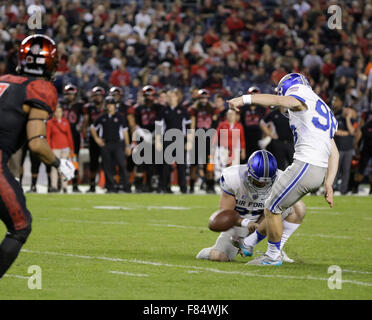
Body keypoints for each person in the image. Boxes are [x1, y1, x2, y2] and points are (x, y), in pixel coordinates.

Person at [228, 73, 340, 265]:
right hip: (316, 170)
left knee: (272, 208)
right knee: (279, 206)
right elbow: (334, 153)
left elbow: (277, 100)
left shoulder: (299, 94)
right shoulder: (319, 106)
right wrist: (328, 183)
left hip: (306, 165)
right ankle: (248, 244)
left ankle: (272, 257)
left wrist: (243, 99)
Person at [0, 34, 74, 279]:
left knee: (17, 192)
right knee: (20, 227)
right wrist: (59, 163)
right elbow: (36, 143)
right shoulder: (40, 88)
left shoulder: (4, 80)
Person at [196, 150, 306, 262]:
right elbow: (226, 212)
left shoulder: (281, 179)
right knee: (219, 257)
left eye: (266, 182)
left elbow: (272, 210)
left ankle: (276, 251)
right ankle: (209, 252)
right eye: (257, 181)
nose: (262, 185)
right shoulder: (234, 177)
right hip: (238, 223)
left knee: (298, 207)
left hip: (263, 223)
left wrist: (257, 227)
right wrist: (247, 223)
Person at [90, 96, 131, 193]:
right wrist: (97, 139)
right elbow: (92, 128)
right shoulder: (102, 117)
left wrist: (127, 145)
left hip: (118, 144)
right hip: (106, 144)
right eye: (108, 104)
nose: (110, 107)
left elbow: (125, 132)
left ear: (115, 106)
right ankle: (110, 187)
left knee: (122, 164)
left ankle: (126, 186)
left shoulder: (120, 117)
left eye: (111, 104)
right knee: (107, 166)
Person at [157, 89, 191, 194]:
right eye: (169, 97)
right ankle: (164, 187)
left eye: (173, 96)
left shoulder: (183, 111)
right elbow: (159, 127)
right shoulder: (163, 111)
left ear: (177, 97)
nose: (171, 99)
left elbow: (188, 127)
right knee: (166, 165)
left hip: (180, 140)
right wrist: (158, 141)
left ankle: (183, 188)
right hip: (167, 140)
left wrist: (189, 141)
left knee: (181, 166)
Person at [130, 85, 163, 192]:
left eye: (150, 95)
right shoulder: (138, 108)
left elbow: (160, 123)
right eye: (146, 95)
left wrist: (154, 136)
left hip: (154, 139)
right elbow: (136, 124)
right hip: (142, 139)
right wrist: (143, 135)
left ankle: (149, 185)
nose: (148, 97)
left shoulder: (158, 108)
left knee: (152, 164)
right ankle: (138, 186)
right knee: (140, 163)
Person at [188, 89, 220, 193]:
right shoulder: (195, 108)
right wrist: (190, 139)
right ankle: (192, 186)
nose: (203, 99)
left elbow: (215, 123)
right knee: (194, 164)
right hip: (197, 138)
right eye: (202, 97)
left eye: (205, 97)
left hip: (208, 139)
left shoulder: (212, 108)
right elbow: (193, 124)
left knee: (209, 163)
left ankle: (209, 185)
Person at [59, 83, 84, 193]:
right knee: (61, 160)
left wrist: (82, 130)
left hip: (74, 136)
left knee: (74, 160)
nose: (69, 96)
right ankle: (58, 184)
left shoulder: (79, 106)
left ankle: (74, 184)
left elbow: (85, 119)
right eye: (68, 94)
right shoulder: (61, 104)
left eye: (71, 94)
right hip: (61, 135)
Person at [82, 86, 106, 193]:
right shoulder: (89, 108)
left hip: (106, 138)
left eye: (99, 95)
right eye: (96, 95)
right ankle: (92, 185)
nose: (98, 97)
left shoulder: (107, 107)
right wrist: (85, 137)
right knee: (93, 163)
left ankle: (108, 184)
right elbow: (85, 123)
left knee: (107, 162)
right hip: (93, 138)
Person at [332, 94, 357, 194]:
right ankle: (332, 188)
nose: (347, 110)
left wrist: (347, 119)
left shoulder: (353, 121)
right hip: (338, 148)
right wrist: (346, 133)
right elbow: (334, 131)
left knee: (346, 170)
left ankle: (343, 190)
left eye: (349, 108)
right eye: (346, 108)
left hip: (348, 148)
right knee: (335, 170)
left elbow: (352, 131)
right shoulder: (337, 117)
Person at [47, 106, 75, 193]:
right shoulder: (50, 123)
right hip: (55, 148)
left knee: (65, 168)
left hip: (65, 147)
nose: (58, 113)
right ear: (54, 113)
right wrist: (48, 148)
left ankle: (65, 186)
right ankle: (54, 186)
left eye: (60, 111)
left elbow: (69, 135)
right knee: (54, 168)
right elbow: (48, 136)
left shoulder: (65, 122)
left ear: (62, 113)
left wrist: (71, 148)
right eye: (56, 111)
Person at [212, 109, 246, 181]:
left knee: (234, 168)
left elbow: (242, 139)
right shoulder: (222, 124)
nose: (231, 116)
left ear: (235, 116)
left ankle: (231, 184)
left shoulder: (239, 126)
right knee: (223, 167)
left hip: (234, 149)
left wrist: (243, 150)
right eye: (229, 114)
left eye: (232, 114)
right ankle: (222, 182)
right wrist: (213, 147)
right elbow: (216, 136)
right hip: (223, 149)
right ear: (226, 115)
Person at [260, 106, 295, 171]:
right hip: (278, 143)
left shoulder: (292, 113)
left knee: (293, 165)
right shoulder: (274, 113)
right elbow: (262, 123)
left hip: (291, 143)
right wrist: (270, 134)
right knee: (279, 167)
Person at [239, 87, 268, 161]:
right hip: (246, 136)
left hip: (258, 136)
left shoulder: (263, 108)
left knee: (257, 158)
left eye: (256, 95)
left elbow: (266, 123)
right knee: (245, 158)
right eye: (252, 95)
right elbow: (240, 122)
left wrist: (265, 136)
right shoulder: (243, 108)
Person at [353, 103, 372, 194]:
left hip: (367, 144)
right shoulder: (366, 114)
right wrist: (356, 143)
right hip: (366, 146)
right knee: (361, 168)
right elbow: (361, 129)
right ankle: (355, 188)